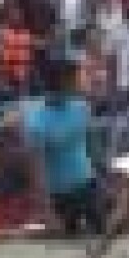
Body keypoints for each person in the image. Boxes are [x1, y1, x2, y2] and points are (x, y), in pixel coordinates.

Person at [20, 61, 100, 235]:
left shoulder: (82, 108)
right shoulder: (36, 122)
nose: (77, 83)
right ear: (62, 82)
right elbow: (37, 172)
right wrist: (48, 213)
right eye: (73, 79)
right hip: (59, 195)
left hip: (88, 185)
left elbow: (92, 149)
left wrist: (103, 181)